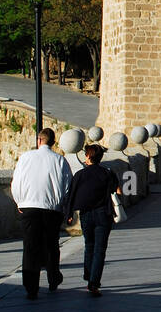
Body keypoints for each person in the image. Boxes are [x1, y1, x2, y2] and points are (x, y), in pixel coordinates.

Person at [10, 128, 73, 300]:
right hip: (52, 209)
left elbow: (16, 182)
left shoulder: (25, 158)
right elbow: (67, 186)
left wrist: (19, 201)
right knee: (51, 245)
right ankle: (53, 278)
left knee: (30, 247)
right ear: (53, 142)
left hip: (29, 207)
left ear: (39, 140)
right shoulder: (60, 160)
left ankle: (31, 287)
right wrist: (62, 205)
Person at [63, 143, 120, 296]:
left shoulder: (80, 175)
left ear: (88, 156)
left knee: (89, 245)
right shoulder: (108, 173)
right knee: (100, 250)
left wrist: (68, 214)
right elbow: (117, 190)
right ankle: (93, 283)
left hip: (86, 214)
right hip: (103, 214)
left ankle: (89, 274)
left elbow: (71, 195)